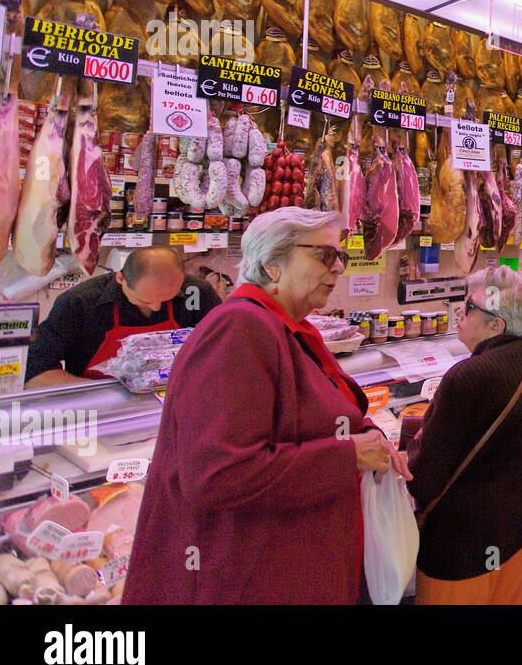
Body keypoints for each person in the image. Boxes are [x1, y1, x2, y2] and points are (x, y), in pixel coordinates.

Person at [125, 208, 408, 604]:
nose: (339, 268)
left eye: (340, 257)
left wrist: (366, 434)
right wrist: (348, 456)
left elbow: (313, 420)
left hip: (293, 569)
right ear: (273, 265)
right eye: (325, 256)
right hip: (246, 577)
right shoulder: (238, 329)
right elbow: (218, 474)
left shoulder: (289, 327)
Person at [408, 266, 522, 605]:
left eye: (470, 307)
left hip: (461, 544)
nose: (460, 312)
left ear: (496, 325)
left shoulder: (467, 376)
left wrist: (409, 451)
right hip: (515, 529)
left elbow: (425, 479)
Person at [24, 246, 221, 388]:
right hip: (99, 414)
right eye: (145, 300)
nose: (156, 306)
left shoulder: (196, 291)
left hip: (172, 403)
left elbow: (224, 349)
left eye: (167, 298)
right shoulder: (80, 302)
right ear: (120, 278)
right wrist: (109, 396)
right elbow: (36, 374)